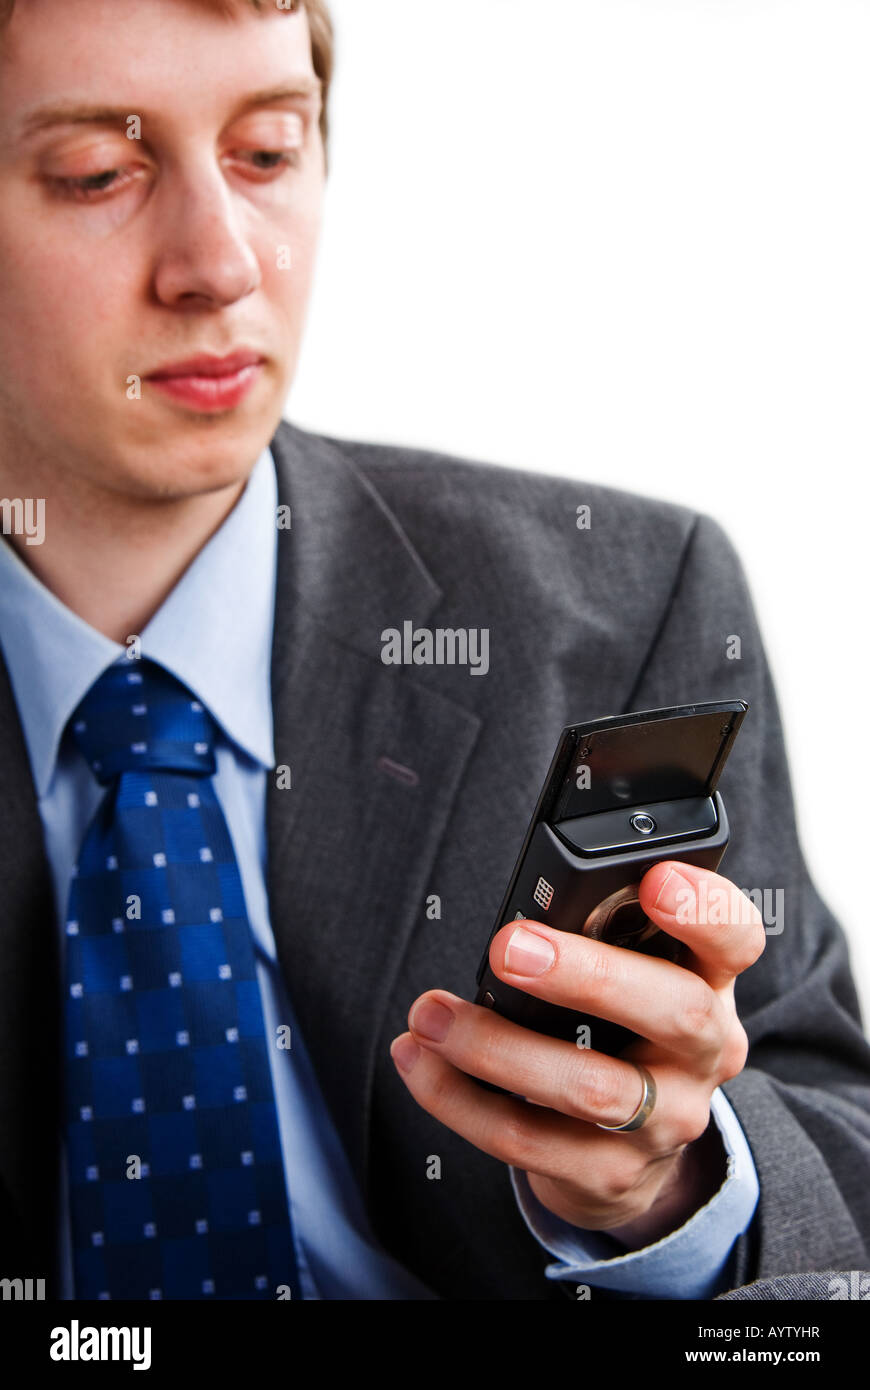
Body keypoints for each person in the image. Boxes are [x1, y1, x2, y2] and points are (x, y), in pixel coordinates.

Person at [0, 0, 867, 1302]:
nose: (221, 263)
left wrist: (674, 1185)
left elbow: (835, 1149)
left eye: (269, 150)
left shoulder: (622, 612)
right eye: (98, 174)